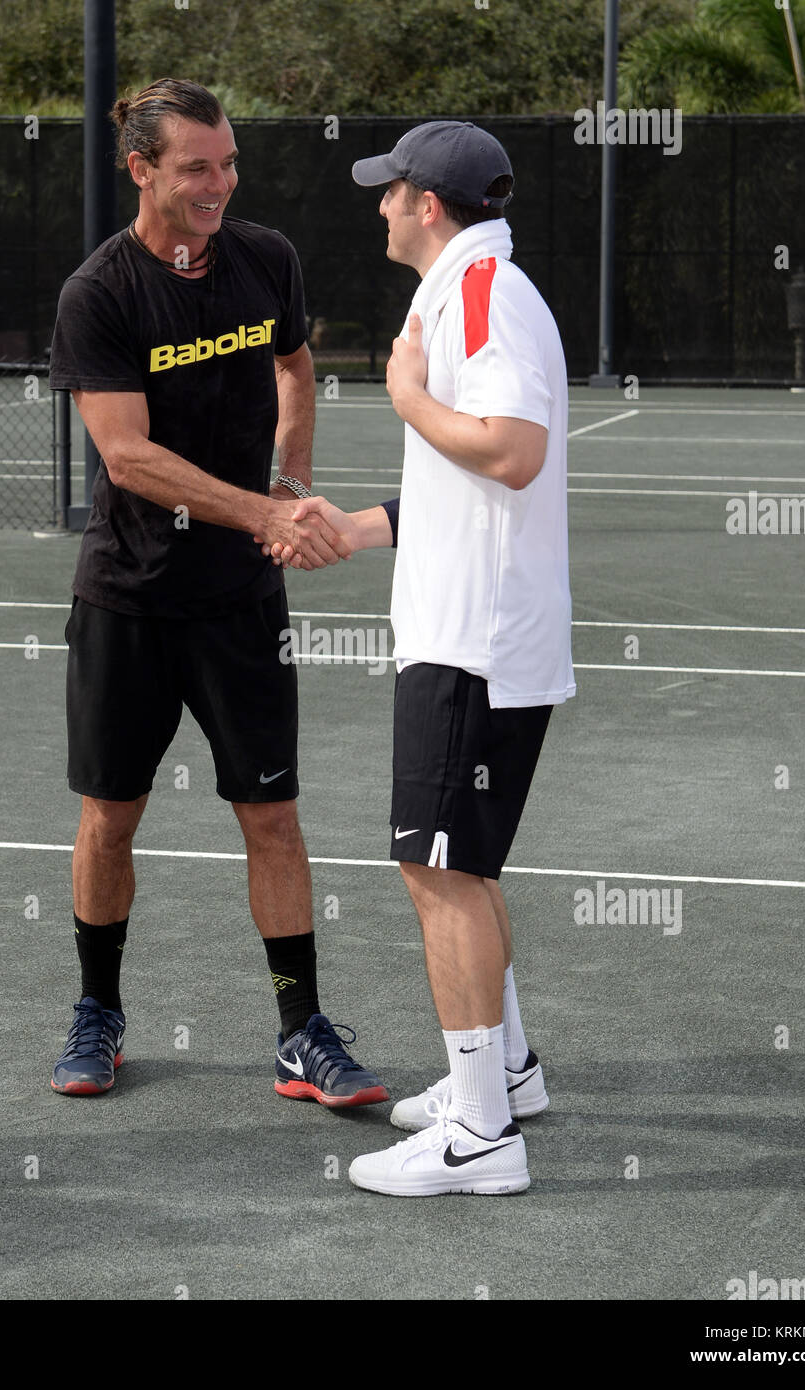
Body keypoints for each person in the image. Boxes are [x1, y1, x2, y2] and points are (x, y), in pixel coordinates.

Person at [46, 78, 387, 1110]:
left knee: (271, 816)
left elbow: (295, 367)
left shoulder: (264, 258)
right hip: (131, 600)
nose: (219, 184)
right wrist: (266, 515)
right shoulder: (99, 294)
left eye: (229, 162)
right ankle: (97, 1010)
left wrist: (289, 483)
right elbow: (128, 455)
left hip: (239, 604)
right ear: (140, 167)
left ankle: (300, 1031)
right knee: (112, 816)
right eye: (196, 166)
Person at [265, 121, 575, 1194]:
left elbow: (511, 450)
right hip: (471, 629)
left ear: (427, 204)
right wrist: (356, 526)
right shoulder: (463, 288)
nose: (380, 207)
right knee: (461, 865)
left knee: (435, 868)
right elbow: (466, 483)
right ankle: (507, 1076)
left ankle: (482, 1135)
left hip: (473, 643)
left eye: (388, 191)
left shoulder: (481, 295)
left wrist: (404, 398)